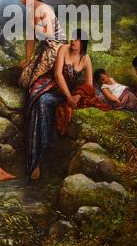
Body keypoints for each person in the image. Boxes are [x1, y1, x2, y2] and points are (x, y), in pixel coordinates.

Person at [24, 31, 93, 180]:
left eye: (77, 40)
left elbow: (89, 84)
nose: (73, 41)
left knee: (43, 104)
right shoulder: (63, 49)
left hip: (73, 94)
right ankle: (37, 158)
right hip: (55, 88)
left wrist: (77, 96)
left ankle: (43, 156)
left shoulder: (86, 59)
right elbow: (57, 75)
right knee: (40, 102)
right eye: (73, 38)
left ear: (83, 43)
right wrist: (68, 96)